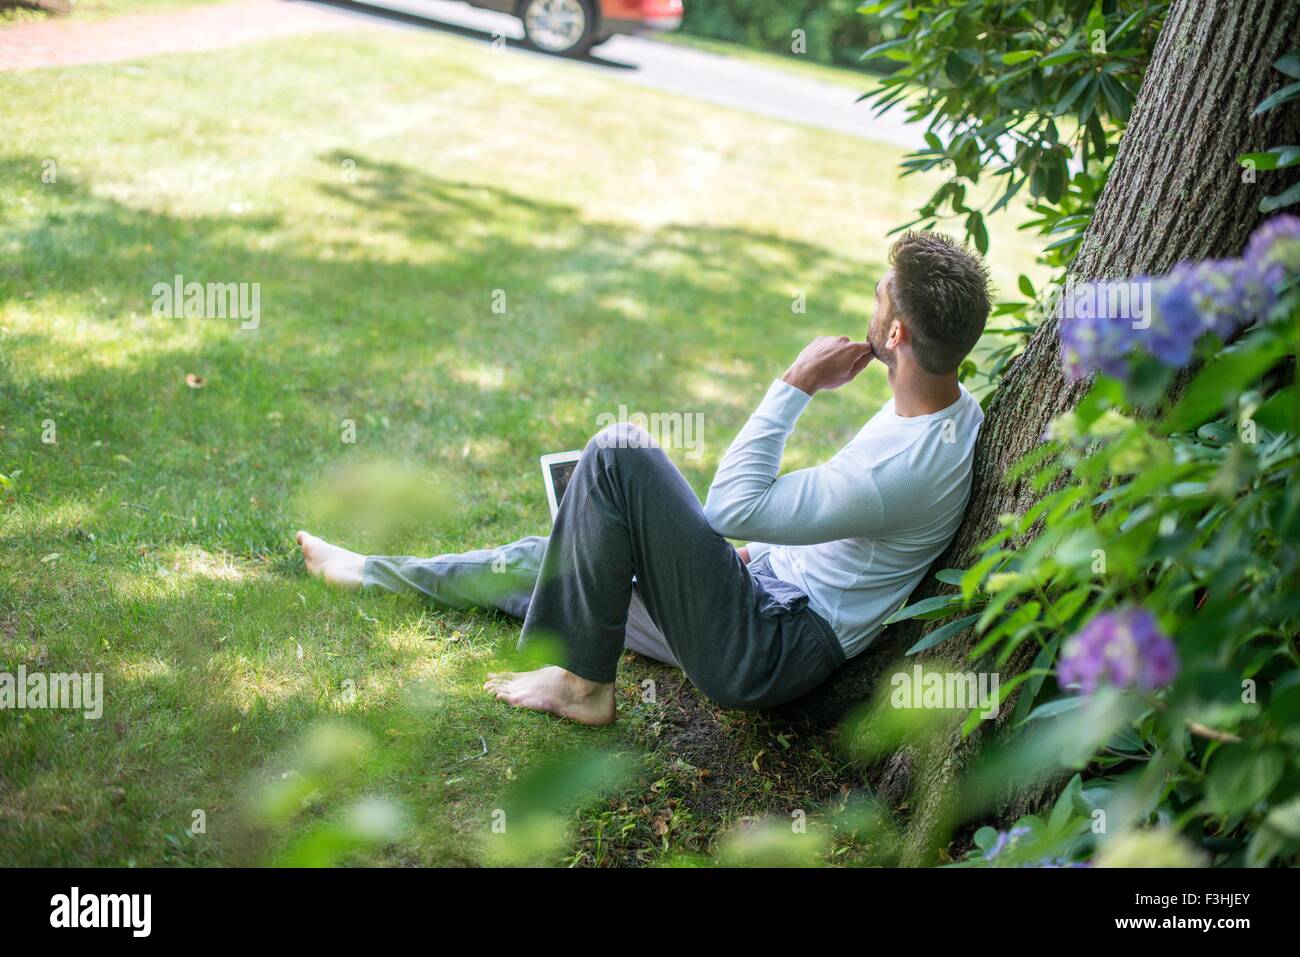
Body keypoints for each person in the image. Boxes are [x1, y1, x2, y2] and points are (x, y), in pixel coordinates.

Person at [297, 230, 991, 725]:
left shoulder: (899, 470)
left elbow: (732, 505)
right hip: (761, 593)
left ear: (894, 335)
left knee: (621, 450)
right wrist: (753, 558)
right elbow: (836, 545)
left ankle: (582, 685)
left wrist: (795, 383)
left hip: (764, 645)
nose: (868, 307)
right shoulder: (953, 410)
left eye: (877, 298)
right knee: (553, 562)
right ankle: (370, 571)